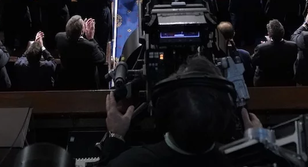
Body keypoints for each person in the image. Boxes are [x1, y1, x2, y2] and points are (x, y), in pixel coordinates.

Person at [99, 56, 261, 166]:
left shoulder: (131, 162)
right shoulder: (239, 161)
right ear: (225, 117)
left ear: (162, 112)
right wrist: (258, 144)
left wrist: (115, 136)